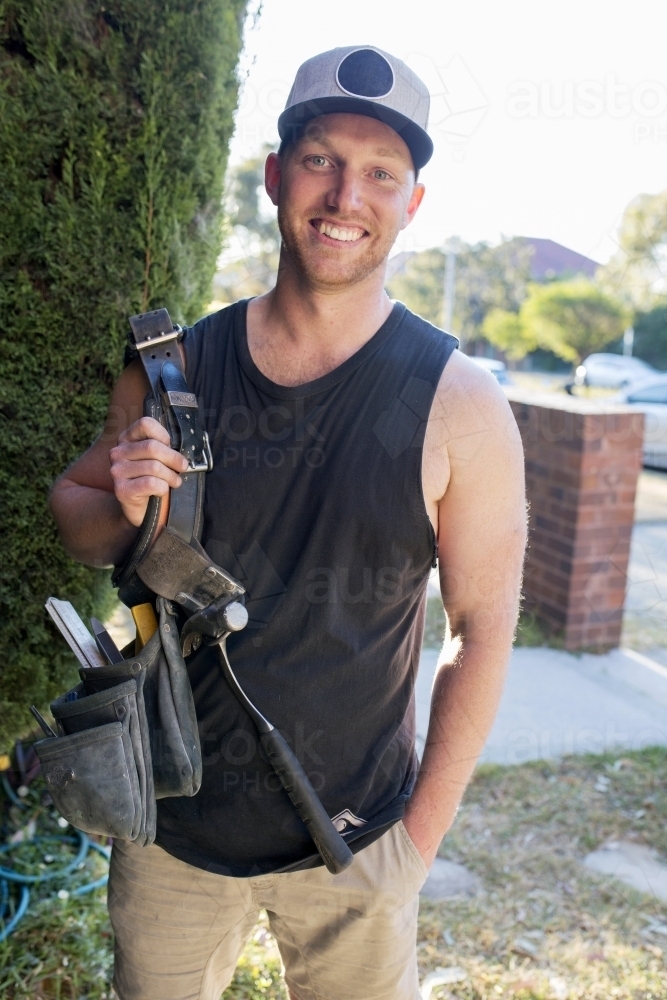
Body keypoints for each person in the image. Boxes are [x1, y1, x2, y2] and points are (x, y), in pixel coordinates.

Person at [50, 45, 526, 1000]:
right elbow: (84, 522)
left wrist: (417, 842)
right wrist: (132, 511)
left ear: (411, 204)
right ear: (274, 176)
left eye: (380, 173)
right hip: (171, 832)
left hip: (359, 843)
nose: (346, 194)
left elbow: (480, 631)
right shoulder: (171, 367)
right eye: (320, 158)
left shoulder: (458, 403)